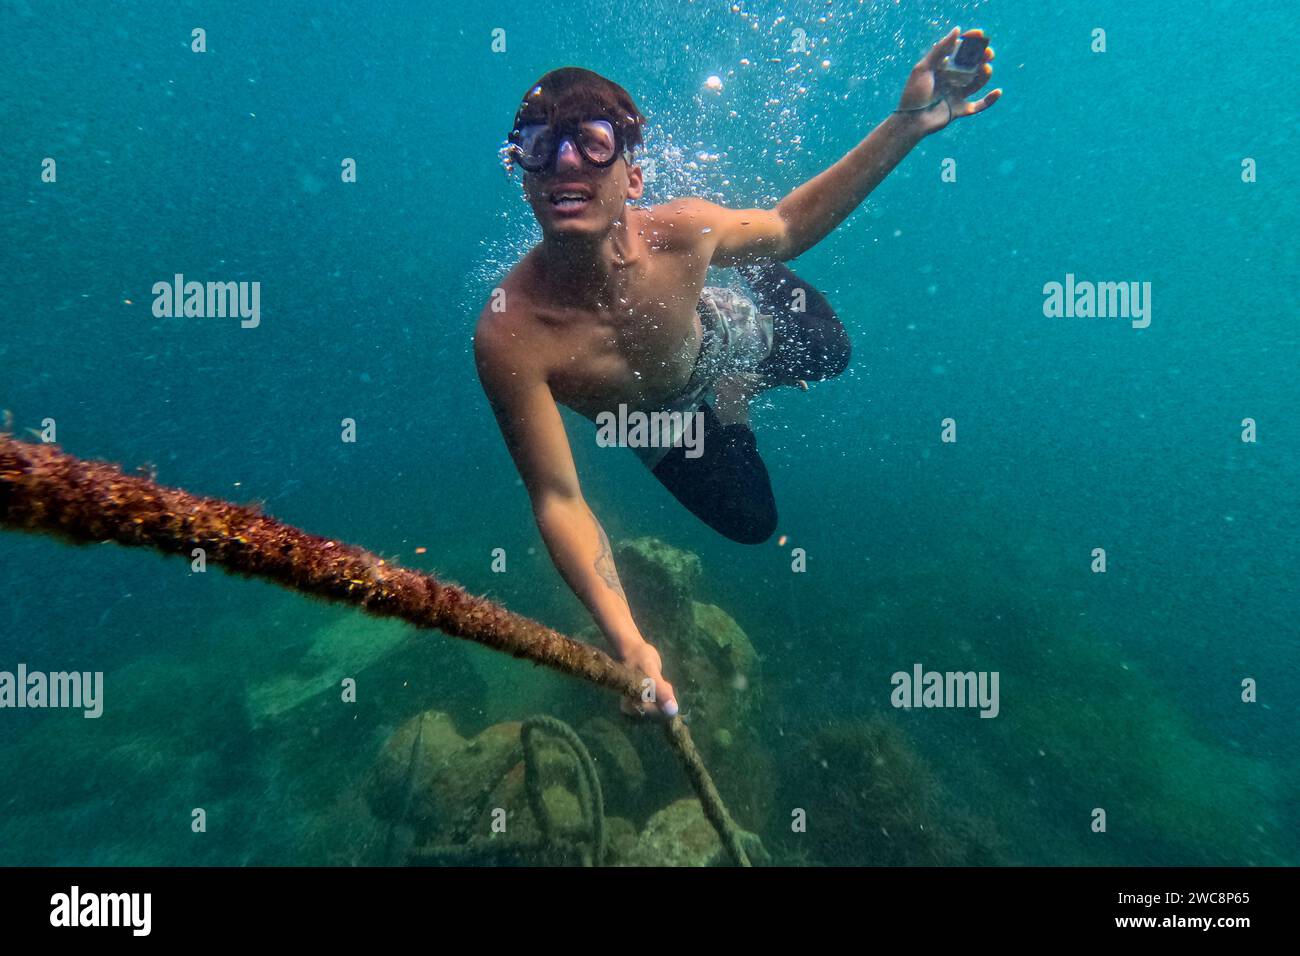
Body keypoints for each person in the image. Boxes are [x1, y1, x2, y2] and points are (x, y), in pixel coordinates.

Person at [474, 28, 999, 718]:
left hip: (722, 341)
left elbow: (786, 223)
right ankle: (737, 403)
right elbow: (559, 500)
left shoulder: (679, 230)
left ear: (632, 175)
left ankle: (747, 280)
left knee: (832, 348)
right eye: (541, 147)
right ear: (524, 177)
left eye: (593, 140)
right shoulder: (508, 335)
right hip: (653, 424)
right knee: (752, 522)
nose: (567, 161)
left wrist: (905, 127)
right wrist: (629, 643)